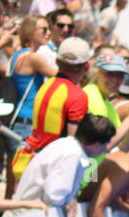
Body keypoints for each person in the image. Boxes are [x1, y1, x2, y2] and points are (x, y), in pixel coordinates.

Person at [9, 35, 92, 188]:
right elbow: (74, 145)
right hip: (51, 170)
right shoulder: (77, 95)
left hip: (30, 162)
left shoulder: (45, 86)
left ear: (57, 61)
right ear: (86, 66)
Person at [13, 113, 114, 217]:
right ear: (95, 145)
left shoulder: (69, 145)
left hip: (30, 215)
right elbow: (54, 195)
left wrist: (72, 198)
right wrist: (68, 202)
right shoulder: (72, 154)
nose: (107, 149)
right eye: (105, 144)